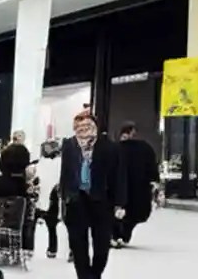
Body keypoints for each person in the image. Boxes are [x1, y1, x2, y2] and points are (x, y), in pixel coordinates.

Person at [60, 110, 126, 279]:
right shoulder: (69, 145)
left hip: (101, 199)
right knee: (77, 242)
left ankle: (95, 273)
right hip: (76, 199)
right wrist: (63, 196)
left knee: (102, 244)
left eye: (88, 125)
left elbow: (119, 175)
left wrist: (120, 202)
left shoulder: (110, 147)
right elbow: (65, 172)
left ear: (95, 127)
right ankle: (84, 276)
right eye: (80, 126)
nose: (84, 129)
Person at [113, 122, 159, 248]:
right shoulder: (145, 148)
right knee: (134, 216)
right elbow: (152, 168)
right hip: (140, 190)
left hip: (120, 189)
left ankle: (116, 236)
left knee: (118, 215)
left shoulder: (115, 148)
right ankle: (123, 235)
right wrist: (154, 181)